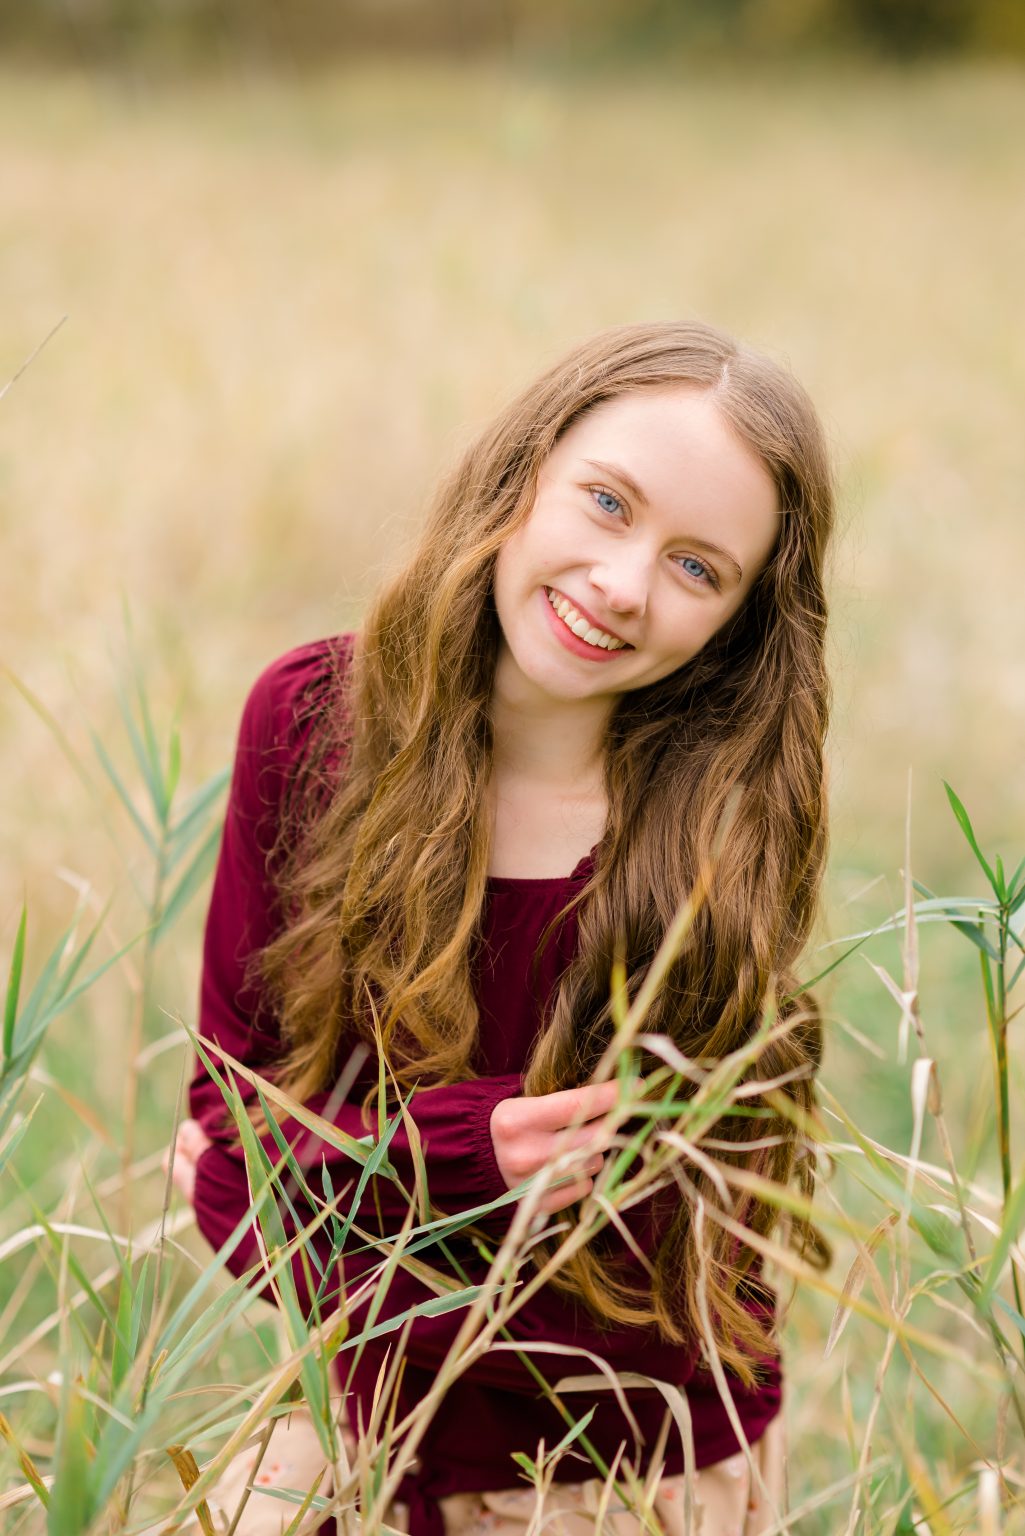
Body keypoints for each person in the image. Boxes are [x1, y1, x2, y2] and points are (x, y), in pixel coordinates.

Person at [168, 319, 833, 1535]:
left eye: (698, 568)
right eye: (605, 503)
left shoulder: (708, 846)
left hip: (619, 1473)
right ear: (521, 471)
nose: (621, 585)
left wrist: (307, 1196)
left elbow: (615, 1302)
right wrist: (459, 1158)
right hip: (351, 1428)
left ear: (739, 619)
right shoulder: (312, 723)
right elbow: (233, 1136)